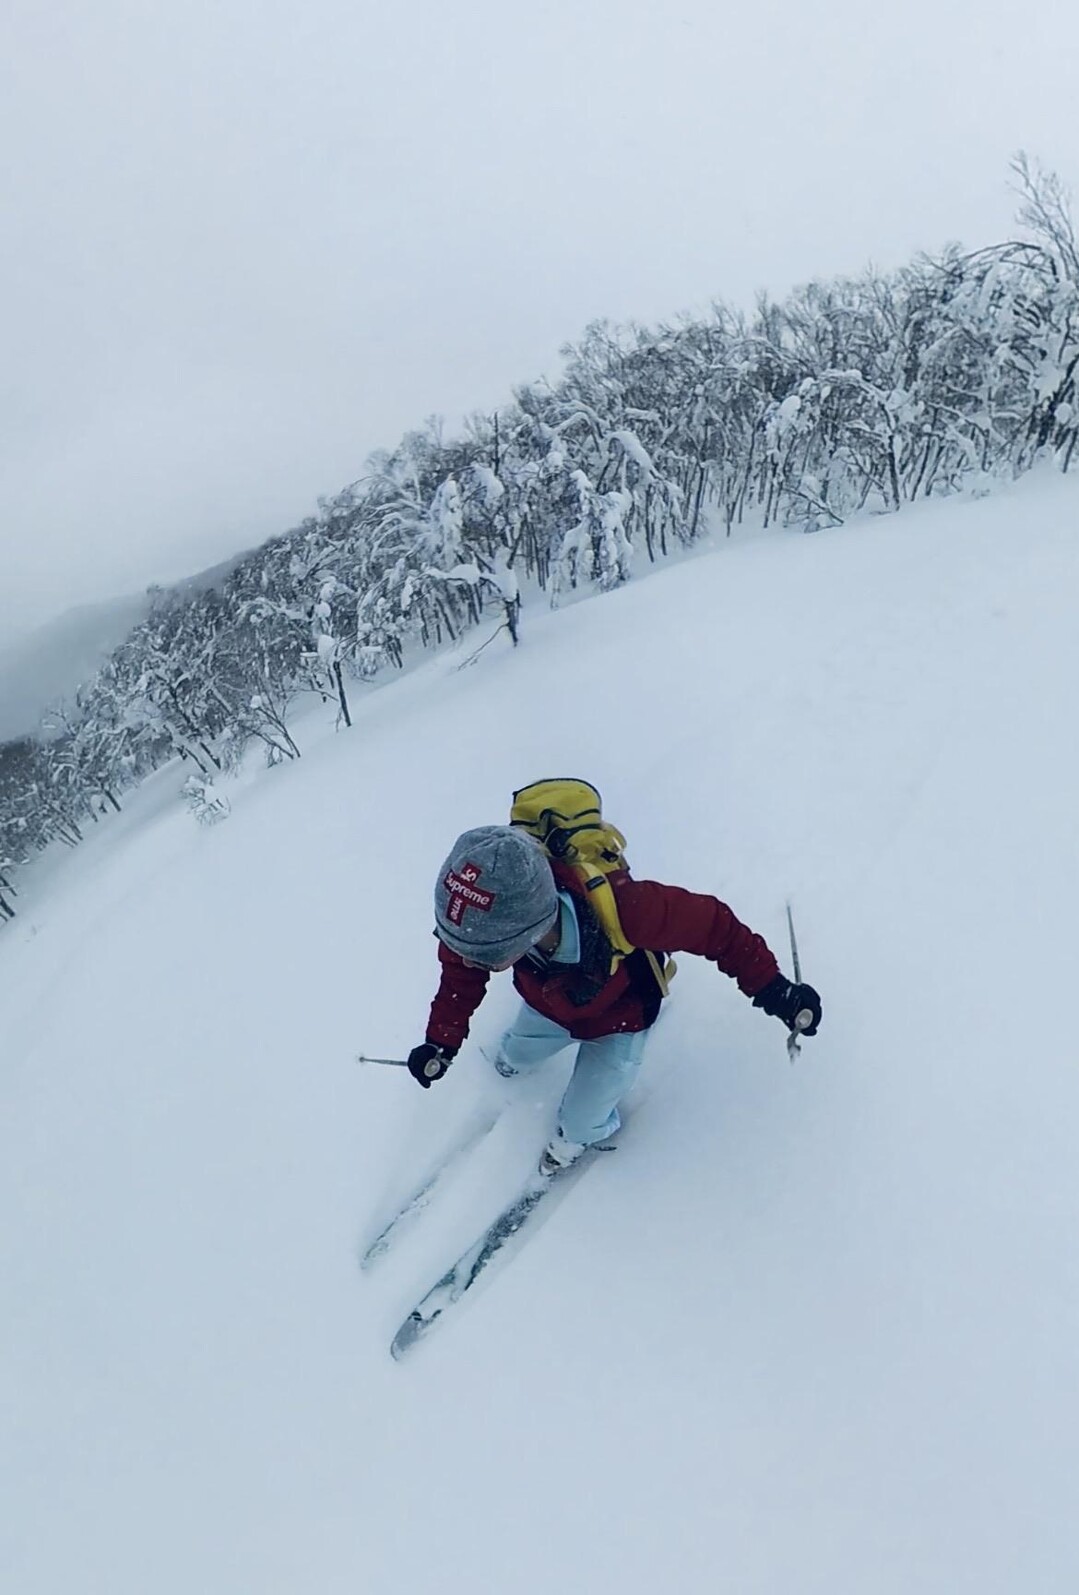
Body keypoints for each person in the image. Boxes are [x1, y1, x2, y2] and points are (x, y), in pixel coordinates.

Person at [407, 825, 821, 1177]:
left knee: (582, 1118)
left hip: (619, 1019)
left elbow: (716, 927)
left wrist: (773, 989)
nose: (466, 957)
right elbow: (460, 973)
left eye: (484, 954)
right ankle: (511, 1071)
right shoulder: (479, 929)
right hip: (546, 1008)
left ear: (530, 929)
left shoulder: (628, 911)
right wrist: (441, 1041)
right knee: (514, 1054)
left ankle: (574, 1143)